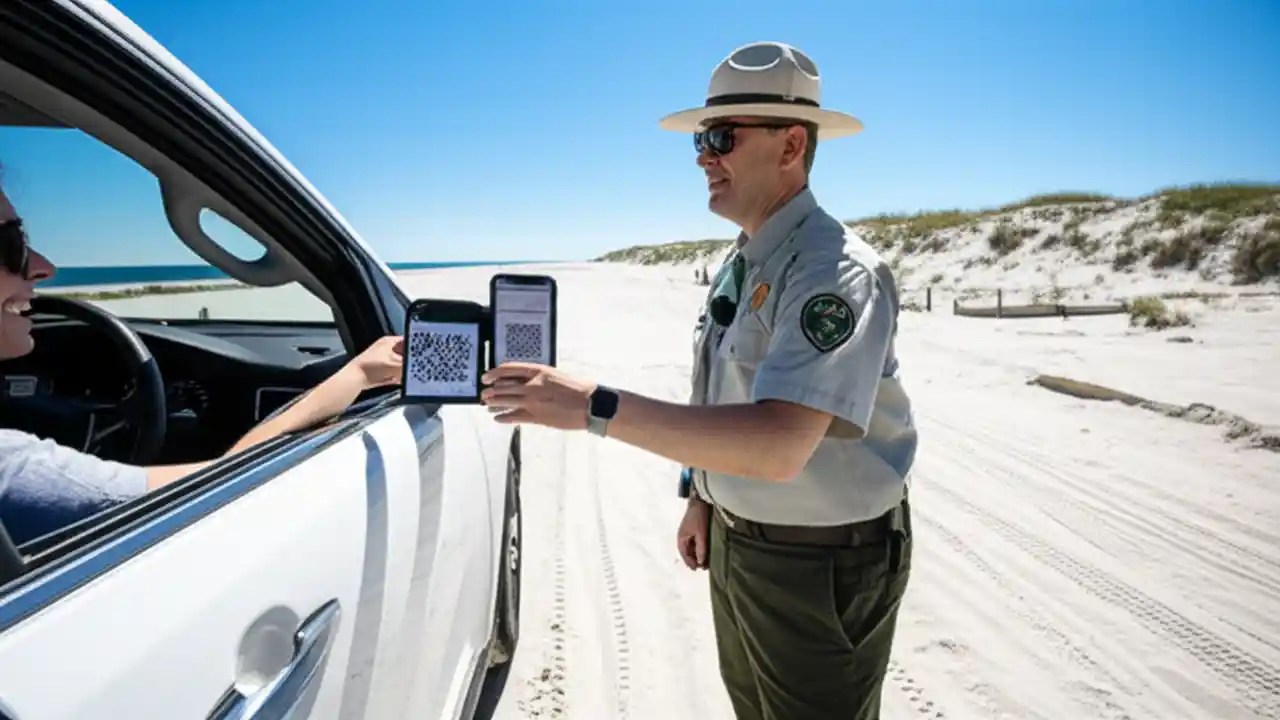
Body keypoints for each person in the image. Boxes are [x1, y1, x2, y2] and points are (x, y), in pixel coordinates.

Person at [481, 41, 917, 719]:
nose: (703, 158)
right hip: (742, 542)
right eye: (700, 140)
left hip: (820, 562)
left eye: (720, 138)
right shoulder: (746, 259)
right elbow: (717, 392)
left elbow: (779, 444)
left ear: (791, 144)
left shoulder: (833, 271)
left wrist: (593, 406)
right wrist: (701, 497)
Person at [0, 178, 406, 546]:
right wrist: (357, 375)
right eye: (12, 244)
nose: (44, 266)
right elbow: (222, 487)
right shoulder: (12, 470)